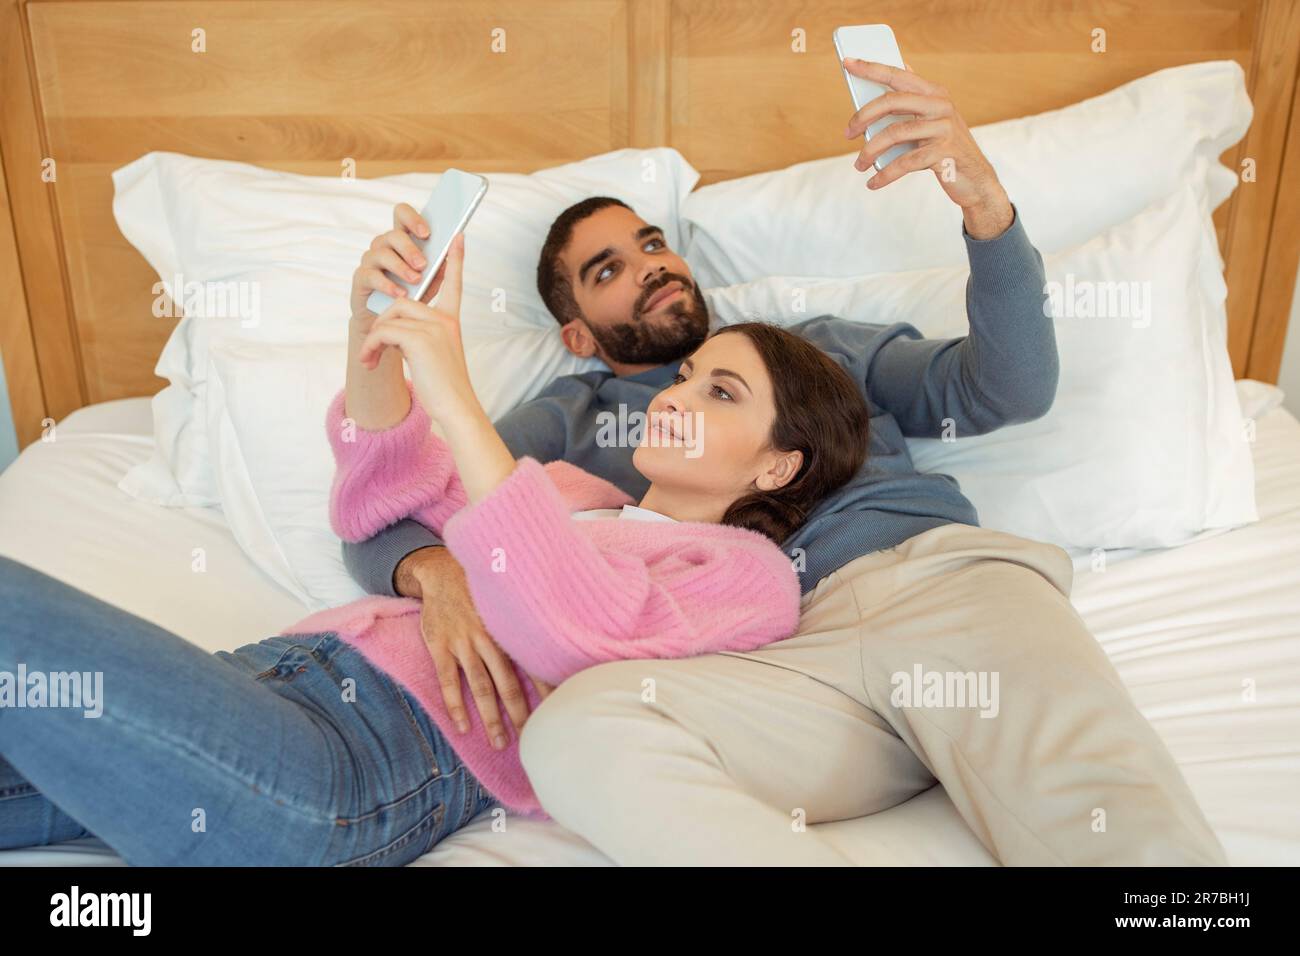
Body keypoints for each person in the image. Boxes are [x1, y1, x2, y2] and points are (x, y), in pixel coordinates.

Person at [343, 59, 1227, 865]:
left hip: (934, 589)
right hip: (772, 661)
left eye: (653, 243)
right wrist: (436, 573)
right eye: (609, 269)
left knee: (1113, 821)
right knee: (580, 731)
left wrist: (983, 206)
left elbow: (1011, 388)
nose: (650, 268)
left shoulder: (818, 354)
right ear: (576, 333)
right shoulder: (573, 421)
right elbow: (410, 499)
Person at [0, 232, 874, 864]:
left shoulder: (746, 576)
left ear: (777, 463)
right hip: (269, 677)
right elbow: (386, 495)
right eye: (685, 376)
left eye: (721, 392)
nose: (678, 395)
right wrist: (369, 331)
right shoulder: (574, 494)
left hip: (350, 765)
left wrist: (453, 388)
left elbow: (578, 632)